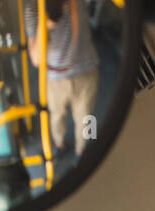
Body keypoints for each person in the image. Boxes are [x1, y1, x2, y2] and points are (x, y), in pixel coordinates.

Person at [24, 0, 100, 161]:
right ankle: (59, 144)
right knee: (56, 117)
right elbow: (36, 59)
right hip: (55, 80)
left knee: (88, 119)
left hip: (86, 72)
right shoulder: (32, 7)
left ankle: (84, 150)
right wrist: (44, 25)